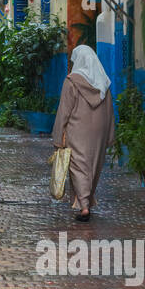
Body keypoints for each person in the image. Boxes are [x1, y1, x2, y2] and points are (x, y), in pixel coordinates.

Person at [51, 44, 116, 221]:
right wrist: (110, 134)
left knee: (78, 166)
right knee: (93, 166)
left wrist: (58, 136)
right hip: (99, 134)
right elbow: (110, 110)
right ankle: (85, 200)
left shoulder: (71, 81)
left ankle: (85, 206)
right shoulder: (104, 82)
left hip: (77, 131)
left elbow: (64, 110)